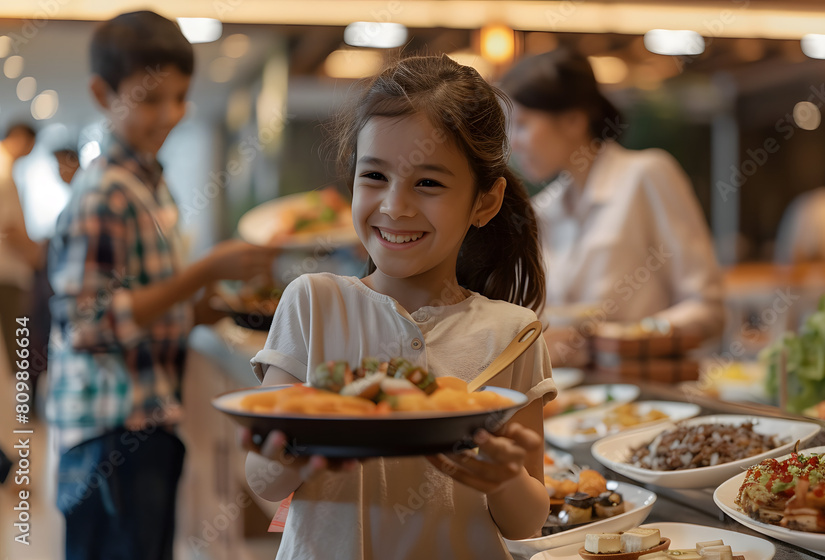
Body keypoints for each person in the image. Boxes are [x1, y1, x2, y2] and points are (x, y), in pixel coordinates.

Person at [243, 54, 556, 559]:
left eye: (428, 183)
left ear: (485, 202)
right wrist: (301, 446)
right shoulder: (315, 303)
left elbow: (526, 521)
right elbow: (263, 480)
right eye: (374, 176)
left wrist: (505, 479)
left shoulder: (513, 333)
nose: (395, 206)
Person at [46, 11, 278, 560]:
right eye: (151, 100)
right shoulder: (104, 192)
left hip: (147, 417)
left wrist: (211, 307)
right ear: (103, 94)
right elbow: (90, 324)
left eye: (180, 97)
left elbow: (146, 307)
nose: (170, 114)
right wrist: (202, 272)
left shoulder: (151, 185)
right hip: (108, 428)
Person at [500, 48, 724, 367]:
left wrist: (624, 338)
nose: (514, 141)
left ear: (574, 120)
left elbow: (708, 309)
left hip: (654, 396)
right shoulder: (544, 208)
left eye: (522, 124)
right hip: (577, 400)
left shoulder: (645, 175)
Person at [0, 123, 39, 364]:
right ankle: (21, 402)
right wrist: (36, 254)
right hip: (8, 274)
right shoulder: (3, 171)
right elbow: (9, 229)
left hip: (8, 273)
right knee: (17, 350)